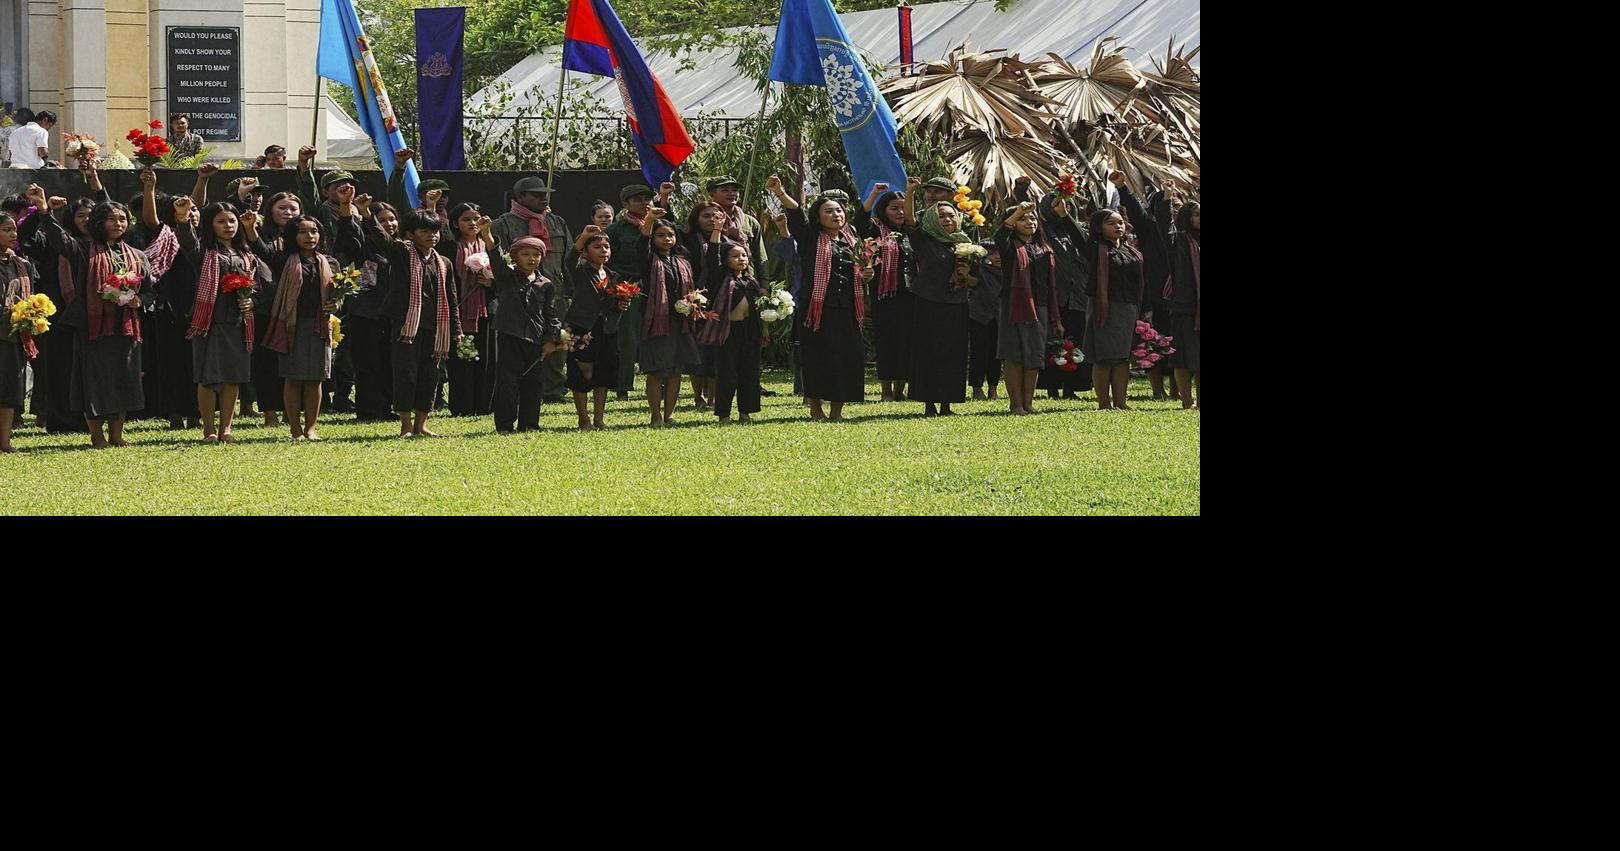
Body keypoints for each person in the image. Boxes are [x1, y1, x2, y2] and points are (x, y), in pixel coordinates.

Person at [30, 183, 155, 448]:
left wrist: (137, 301)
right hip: (93, 327)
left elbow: (150, 293)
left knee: (124, 378)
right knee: (94, 381)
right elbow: (60, 240)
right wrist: (43, 209)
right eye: (111, 219)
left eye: (123, 219)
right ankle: (97, 437)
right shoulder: (84, 250)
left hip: (126, 328)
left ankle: (117, 435)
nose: (118, 223)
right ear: (98, 222)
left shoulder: (138, 255)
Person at [767, 175, 866, 420]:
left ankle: (837, 411)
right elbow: (797, 215)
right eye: (829, 211)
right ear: (818, 216)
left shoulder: (851, 241)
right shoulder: (811, 238)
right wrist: (780, 192)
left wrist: (867, 273)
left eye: (839, 211)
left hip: (848, 309)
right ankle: (815, 408)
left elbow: (861, 270)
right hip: (816, 310)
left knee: (846, 357)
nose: (836, 215)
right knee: (818, 358)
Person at [248, 213, 350, 440]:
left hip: (319, 326)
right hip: (291, 325)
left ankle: (311, 428)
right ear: (293, 236)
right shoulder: (283, 259)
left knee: (316, 379)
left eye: (313, 231)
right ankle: (295, 428)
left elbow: (338, 292)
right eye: (303, 232)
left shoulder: (329, 262)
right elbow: (260, 248)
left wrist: (336, 302)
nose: (309, 236)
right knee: (292, 378)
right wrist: (249, 227)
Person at [176, 194, 265, 443]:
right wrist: (183, 218)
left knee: (233, 377)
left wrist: (252, 300)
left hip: (238, 323)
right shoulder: (204, 251)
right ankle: (209, 430)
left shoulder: (246, 254)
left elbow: (260, 285)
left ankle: (226, 429)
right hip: (209, 322)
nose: (228, 226)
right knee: (208, 377)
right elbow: (186, 240)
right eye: (221, 221)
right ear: (209, 224)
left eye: (232, 221)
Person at [369, 207, 459, 438]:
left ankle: (422, 424)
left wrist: (456, 329)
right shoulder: (402, 253)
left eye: (435, 231)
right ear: (410, 234)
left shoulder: (444, 262)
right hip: (405, 326)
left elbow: (452, 297)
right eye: (425, 231)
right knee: (405, 373)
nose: (432, 236)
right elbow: (382, 240)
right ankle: (405, 425)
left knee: (430, 375)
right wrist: (366, 214)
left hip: (435, 326)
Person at [490, 176, 572, 403]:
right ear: (520, 197)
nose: (542, 198)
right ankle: (520, 390)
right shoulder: (503, 224)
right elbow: (498, 260)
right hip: (520, 293)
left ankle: (554, 389)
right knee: (521, 344)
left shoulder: (556, 222)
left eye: (544, 194)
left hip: (553, 289)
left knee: (555, 339)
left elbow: (569, 257)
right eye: (535, 194)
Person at [904, 187, 973, 417]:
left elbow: (976, 280)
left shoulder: (964, 243)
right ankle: (929, 404)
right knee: (929, 352)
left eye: (951, 215)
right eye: (941, 216)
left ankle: (947, 404)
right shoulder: (925, 239)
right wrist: (910, 193)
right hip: (929, 303)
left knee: (953, 353)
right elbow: (910, 220)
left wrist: (967, 275)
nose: (947, 220)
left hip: (957, 304)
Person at [995, 200, 1064, 416]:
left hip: (1041, 307)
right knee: (1015, 355)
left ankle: (1028, 402)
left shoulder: (1044, 248)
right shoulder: (1009, 246)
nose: (1030, 221)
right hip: (1015, 305)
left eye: (1032, 218)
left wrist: (1056, 318)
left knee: (1034, 356)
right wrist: (1019, 210)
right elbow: (1000, 235)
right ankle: (1015, 404)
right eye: (1023, 219)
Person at [489, 235, 560, 432]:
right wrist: (487, 234)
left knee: (534, 383)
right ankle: (504, 424)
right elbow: (494, 256)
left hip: (536, 339)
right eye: (525, 254)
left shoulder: (545, 283)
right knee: (508, 382)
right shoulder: (506, 277)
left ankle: (529, 424)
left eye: (536, 254)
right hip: (509, 335)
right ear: (514, 256)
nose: (531, 259)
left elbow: (551, 314)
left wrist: (551, 340)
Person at [635, 208, 699, 426]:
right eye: (660, 235)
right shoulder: (648, 260)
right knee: (656, 370)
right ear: (653, 238)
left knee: (675, 370)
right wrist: (650, 219)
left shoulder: (682, 260)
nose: (666, 239)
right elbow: (642, 242)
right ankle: (655, 415)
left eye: (670, 235)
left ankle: (670, 414)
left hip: (680, 322)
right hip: (655, 322)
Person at [697, 226, 765, 424]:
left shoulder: (751, 281)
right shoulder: (720, 278)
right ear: (725, 260)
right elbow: (712, 257)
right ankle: (724, 414)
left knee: (750, 373)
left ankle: (746, 412)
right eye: (735, 256)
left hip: (750, 331)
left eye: (744, 255)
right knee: (727, 373)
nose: (741, 259)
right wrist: (717, 230)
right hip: (728, 332)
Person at [1082, 205, 1145, 411]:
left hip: (1129, 308)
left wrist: (1146, 309)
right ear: (1099, 228)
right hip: (1105, 308)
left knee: (1122, 357)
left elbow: (1142, 281)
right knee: (1104, 357)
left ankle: (1121, 402)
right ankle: (1104, 403)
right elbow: (1075, 233)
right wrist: (1065, 214)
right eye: (1111, 223)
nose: (1118, 226)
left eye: (1120, 222)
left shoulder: (1130, 250)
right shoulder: (1095, 247)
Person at [857, 181, 914, 402]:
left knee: (906, 343)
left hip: (909, 295)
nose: (900, 212)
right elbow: (859, 221)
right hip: (884, 297)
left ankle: (901, 391)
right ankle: (886, 392)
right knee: (887, 342)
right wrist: (873, 194)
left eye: (903, 208)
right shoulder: (875, 229)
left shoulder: (911, 231)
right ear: (884, 210)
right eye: (894, 208)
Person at [563, 228, 624, 430]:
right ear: (586, 252)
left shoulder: (613, 275)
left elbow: (614, 304)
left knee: (604, 373)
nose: (603, 251)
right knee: (581, 374)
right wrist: (582, 237)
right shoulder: (580, 271)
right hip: (583, 327)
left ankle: (599, 419)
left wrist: (621, 305)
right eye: (597, 247)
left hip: (607, 329)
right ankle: (583, 419)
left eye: (606, 247)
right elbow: (569, 261)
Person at [348, 194, 397, 422]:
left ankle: (386, 407)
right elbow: (348, 231)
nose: (389, 224)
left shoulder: (400, 247)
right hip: (366, 313)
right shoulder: (362, 243)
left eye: (392, 219)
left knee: (388, 363)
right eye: (383, 220)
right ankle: (367, 410)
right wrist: (362, 213)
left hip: (392, 314)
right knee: (368, 364)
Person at [607, 184, 655, 399]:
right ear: (626, 204)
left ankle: (657, 383)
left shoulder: (660, 225)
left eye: (647, 198)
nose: (644, 203)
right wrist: (618, 286)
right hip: (628, 287)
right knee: (627, 339)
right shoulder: (615, 230)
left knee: (657, 337)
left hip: (657, 287)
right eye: (638, 199)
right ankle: (622, 386)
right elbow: (606, 261)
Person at [0, 210, 41, 452]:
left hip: (12, 335)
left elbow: (32, 296)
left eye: (14, 229)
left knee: (9, 390)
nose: (13, 233)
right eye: (6, 229)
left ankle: (4, 442)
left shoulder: (21, 264)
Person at [1167, 201, 1200, 409]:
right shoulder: (1178, 239)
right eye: (1196, 215)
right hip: (1185, 305)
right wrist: (1166, 198)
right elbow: (1164, 224)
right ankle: (1187, 400)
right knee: (1182, 356)